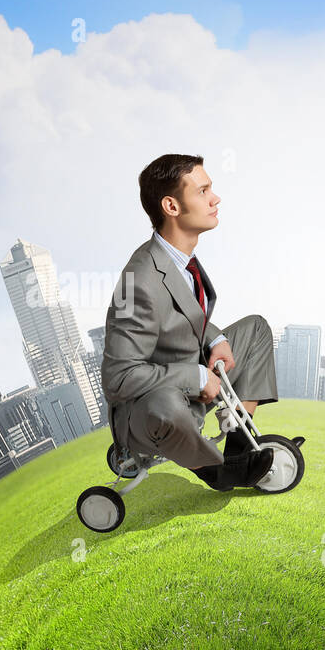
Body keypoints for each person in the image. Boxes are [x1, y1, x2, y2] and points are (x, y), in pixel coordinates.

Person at [101, 153, 278, 491]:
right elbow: (117, 378)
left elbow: (180, 312)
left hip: (189, 374)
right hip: (154, 406)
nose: (216, 198)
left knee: (255, 328)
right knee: (162, 406)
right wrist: (196, 376)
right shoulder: (135, 282)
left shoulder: (179, 258)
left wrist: (213, 339)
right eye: (203, 191)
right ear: (171, 206)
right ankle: (216, 471)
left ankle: (240, 450)